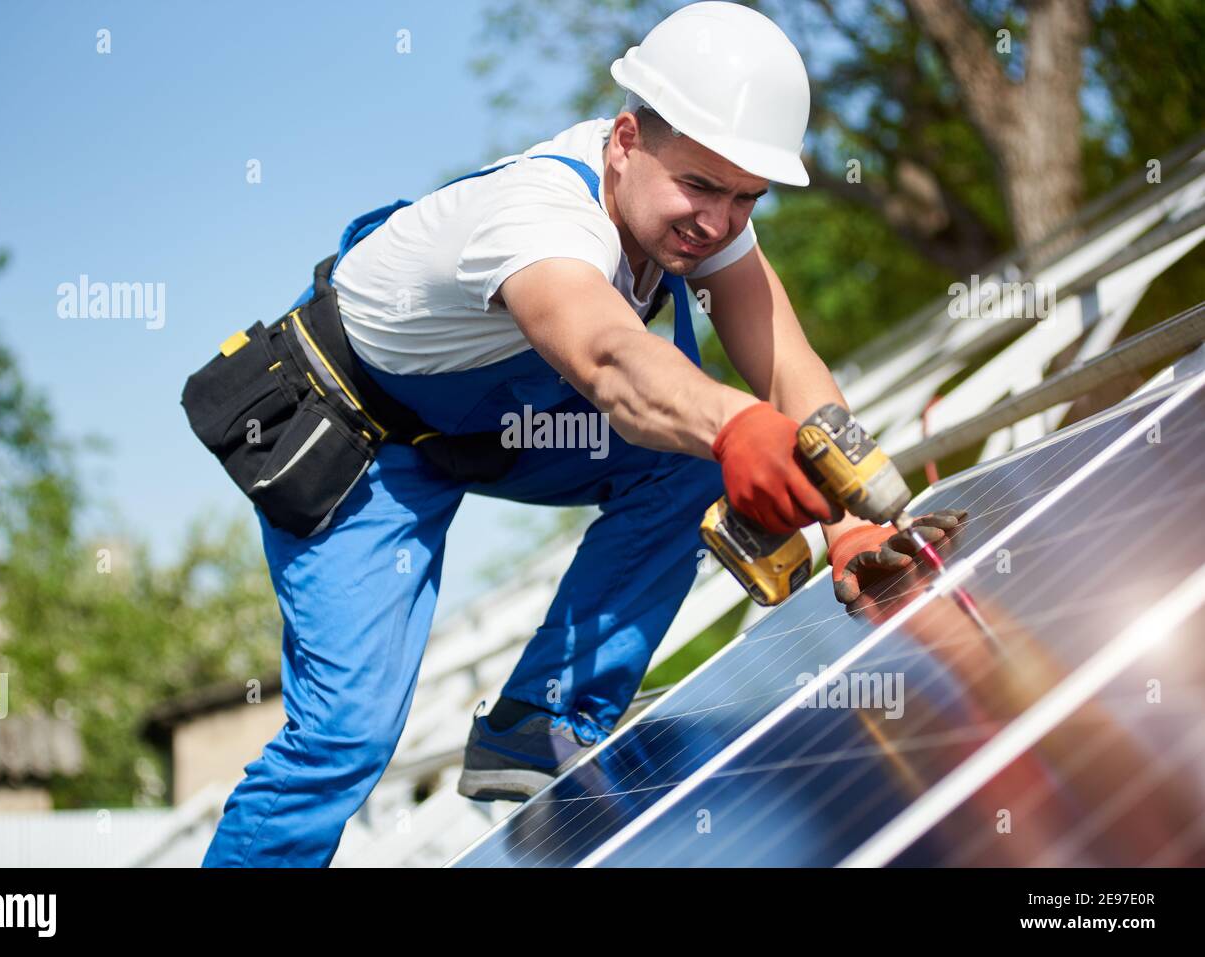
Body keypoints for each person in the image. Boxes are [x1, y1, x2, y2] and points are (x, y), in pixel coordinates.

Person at [200, 1, 936, 867]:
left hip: (492, 424)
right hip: (360, 444)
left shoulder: (702, 211)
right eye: (701, 187)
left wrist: (850, 519)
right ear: (625, 140)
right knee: (342, 740)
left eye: (747, 198)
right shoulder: (542, 216)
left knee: (693, 457)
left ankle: (540, 722)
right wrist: (738, 427)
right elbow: (611, 360)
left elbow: (786, 363)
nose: (720, 222)